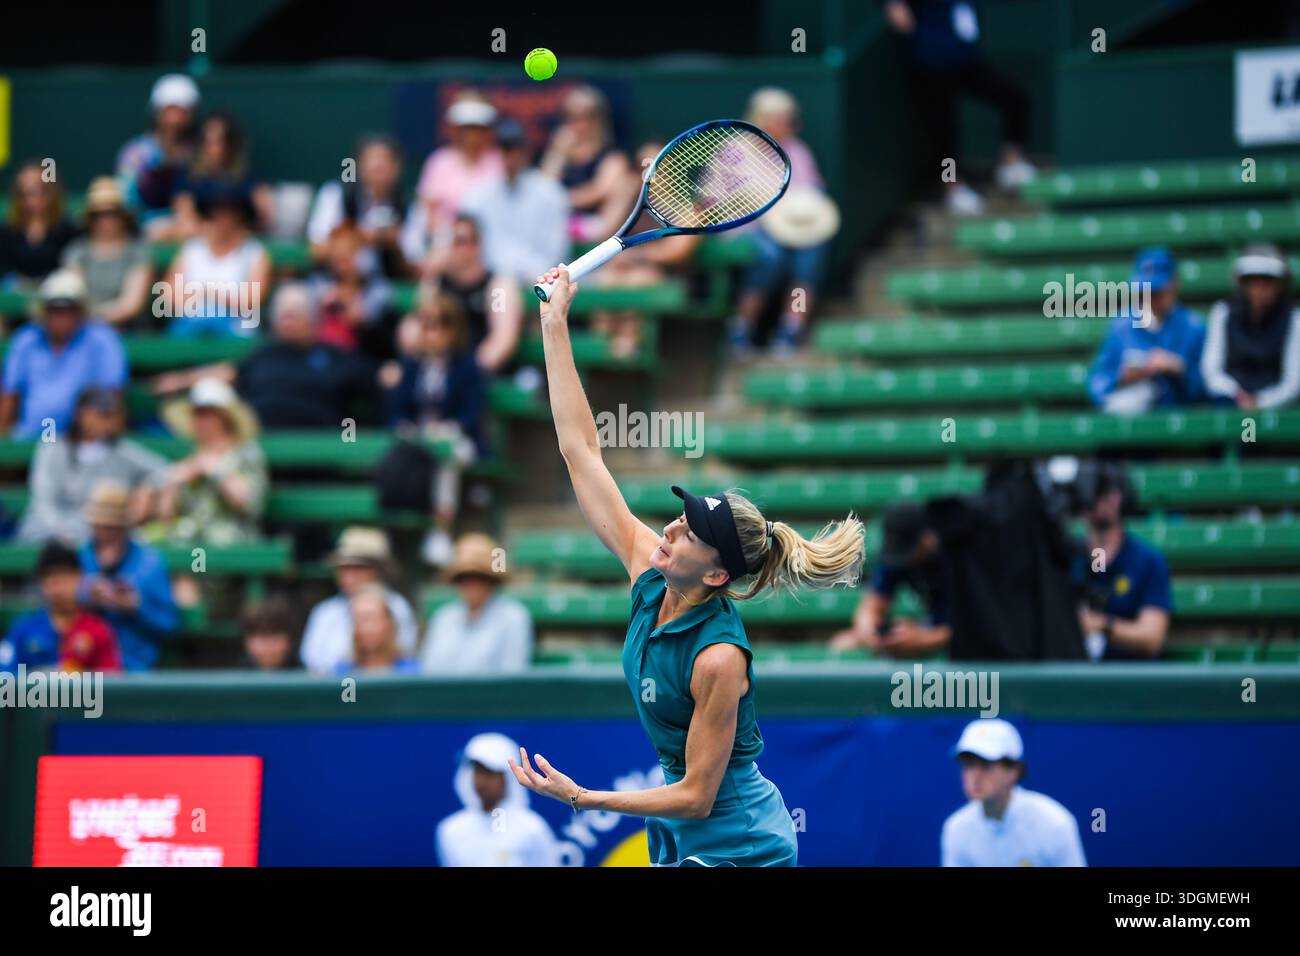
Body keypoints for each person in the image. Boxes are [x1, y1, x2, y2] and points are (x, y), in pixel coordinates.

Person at [507, 266, 864, 867]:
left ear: (717, 575)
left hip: (741, 844)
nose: (670, 528)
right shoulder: (652, 574)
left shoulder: (719, 659)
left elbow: (699, 796)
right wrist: (554, 323)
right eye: (680, 517)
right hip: (680, 835)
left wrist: (582, 797)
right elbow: (581, 452)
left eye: (691, 532)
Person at [152, 283, 380, 429]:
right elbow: (228, 373)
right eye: (283, 315)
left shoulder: (336, 357)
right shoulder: (262, 355)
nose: (287, 321)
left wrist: (350, 433)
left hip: (320, 447)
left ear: (313, 320)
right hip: (260, 443)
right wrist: (180, 380)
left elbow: (377, 379)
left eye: (294, 314)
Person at [884, 0, 1036, 215]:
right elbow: (899, 16)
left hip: (967, 60)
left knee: (1015, 98)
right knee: (945, 133)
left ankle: (1011, 163)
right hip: (933, 64)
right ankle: (952, 188)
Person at [727, 89, 836, 355]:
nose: (788, 125)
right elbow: (724, 201)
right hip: (746, 229)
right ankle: (741, 328)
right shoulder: (735, 150)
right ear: (762, 119)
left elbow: (813, 193)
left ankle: (791, 328)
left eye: (789, 119)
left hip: (794, 229)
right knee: (770, 255)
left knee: (811, 252)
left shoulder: (798, 151)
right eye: (781, 119)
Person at [386, 293, 488, 566]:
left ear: (452, 329)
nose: (432, 332)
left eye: (439, 324)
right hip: (419, 439)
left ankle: (440, 529)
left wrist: (446, 429)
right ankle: (390, 532)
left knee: (447, 454)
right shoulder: (411, 366)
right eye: (426, 323)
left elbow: (471, 414)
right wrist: (411, 428)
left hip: (459, 440)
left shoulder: (467, 367)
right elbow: (398, 411)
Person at [17, 388, 165, 544]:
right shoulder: (52, 448)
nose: (109, 421)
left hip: (106, 536)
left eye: (114, 414)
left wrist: (147, 488)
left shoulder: (123, 452)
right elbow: (44, 504)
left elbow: (164, 471)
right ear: (80, 415)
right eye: (103, 414)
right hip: (52, 535)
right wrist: (64, 533)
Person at [941, 718, 1086, 867]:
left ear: (1014, 771)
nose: (975, 776)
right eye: (969, 765)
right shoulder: (956, 829)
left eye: (986, 765)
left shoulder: (1055, 824)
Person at [0, 270, 128, 439]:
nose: (62, 316)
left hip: (82, 441)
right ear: (44, 311)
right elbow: (10, 394)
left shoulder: (102, 339)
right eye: (55, 309)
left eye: (69, 309)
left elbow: (112, 397)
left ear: (81, 311)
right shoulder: (26, 339)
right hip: (30, 435)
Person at [1071, 463, 1173, 661]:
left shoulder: (1146, 560)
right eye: (1097, 491)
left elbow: (1152, 638)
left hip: (1131, 678)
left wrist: (1101, 625)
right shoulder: (1067, 557)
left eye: (1109, 491)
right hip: (1076, 676)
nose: (1107, 500)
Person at [1087, 247, 1205, 413]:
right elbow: (1097, 386)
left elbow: (1207, 390)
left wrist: (1178, 369)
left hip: (1186, 422)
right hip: (1134, 428)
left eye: (1157, 292)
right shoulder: (1122, 326)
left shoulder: (1193, 327)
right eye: (1145, 291)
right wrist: (1122, 378)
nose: (1151, 298)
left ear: (1174, 284)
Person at [151, 377, 268, 545]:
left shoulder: (247, 453)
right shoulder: (190, 458)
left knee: (198, 560)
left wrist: (215, 470)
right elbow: (165, 518)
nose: (199, 421)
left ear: (224, 417)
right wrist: (172, 485)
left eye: (206, 414)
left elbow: (248, 502)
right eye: (196, 414)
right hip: (192, 543)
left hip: (233, 543)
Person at [77, 482, 179, 671]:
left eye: (113, 526)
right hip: (83, 664)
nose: (105, 532)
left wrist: (136, 606)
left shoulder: (150, 563)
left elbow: (170, 623)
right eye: (100, 525)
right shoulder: (80, 558)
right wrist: (86, 596)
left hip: (135, 666)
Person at [829, 501, 949, 658]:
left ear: (927, 538)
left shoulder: (958, 557)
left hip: (969, 632)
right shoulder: (898, 555)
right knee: (842, 643)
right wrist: (873, 635)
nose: (907, 559)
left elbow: (979, 625)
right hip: (935, 625)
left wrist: (926, 639)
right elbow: (869, 610)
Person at [411, 213, 523, 376]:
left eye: (461, 241)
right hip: (440, 366)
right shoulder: (437, 283)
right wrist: (430, 272)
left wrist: (466, 372)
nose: (454, 247)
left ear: (477, 245)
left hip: (476, 373)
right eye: (451, 240)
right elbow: (417, 328)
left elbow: (502, 340)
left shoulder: (497, 287)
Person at [461, 118, 569, 283]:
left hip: (541, 280)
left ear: (525, 152)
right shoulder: (480, 194)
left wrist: (533, 275)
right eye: (504, 149)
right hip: (491, 282)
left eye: (514, 149)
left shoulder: (550, 193)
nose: (509, 157)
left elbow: (556, 251)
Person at [299, 526, 419, 674]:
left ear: (378, 570)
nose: (349, 576)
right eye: (344, 568)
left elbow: (403, 654)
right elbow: (313, 662)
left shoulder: (396, 606)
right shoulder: (325, 612)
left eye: (358, 568)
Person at [158, 185, 270, 338]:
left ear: (241, 216)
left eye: (230, 213)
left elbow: (252, 301)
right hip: (190, 324)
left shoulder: (254, 252)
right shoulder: (192, 249)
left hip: (237, 327)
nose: (223, 219)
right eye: (217, 212)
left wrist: (207, 294)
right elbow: (169, 294)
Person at [403, 96, 504, 264]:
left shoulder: (499, 163)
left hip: (490, 242)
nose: (473, 134)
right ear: (456, 130)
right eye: (467, 128)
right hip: (445, 242)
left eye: (478, 128)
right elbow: (426, 210)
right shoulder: (439, 162)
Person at [436, 732, 561, 867]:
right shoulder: (450, 830)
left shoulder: (533, 828)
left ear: (508, 777)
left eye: (490, 772)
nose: (481, 781)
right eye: (477, 771)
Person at [1202, 242, 1300, 410]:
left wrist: (1262, 402)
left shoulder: (1294, 318)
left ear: (1280, 284)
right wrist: (1236, 394)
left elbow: (1293, 383)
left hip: (1279, 410)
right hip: (1229, 404)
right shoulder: (1223, 312)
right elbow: (1211, 371)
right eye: (1253, 280)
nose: (1260, 288)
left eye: (1267, 281)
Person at [0, 540, 123, 673]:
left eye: (64, 574)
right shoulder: (23, 629)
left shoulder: (98, 630)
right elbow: (6, 676)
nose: (57, 583)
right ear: (41, 582)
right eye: (49, 575)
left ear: (79, 577)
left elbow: (111, 683)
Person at [420, 533, 533, 675]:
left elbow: (513, 675)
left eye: (479, 577)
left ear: (492, 580)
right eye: (464, 577)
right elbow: (429, 670)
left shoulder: (514, 617)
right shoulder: (443, 618)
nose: (471, 584)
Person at [307, 134, 409, 278]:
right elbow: (316, 251)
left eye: (385, 159)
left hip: (381, 286)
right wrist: (361, 238)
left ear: (397, 168)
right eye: (372, 159)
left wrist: (394, 244)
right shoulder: (336, 193)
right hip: (330, 281)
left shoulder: (405, 204)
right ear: (359, 164)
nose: (378, 166)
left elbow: (414, 265)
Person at [539, 86, 632, 244]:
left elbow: (599, 191)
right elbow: (543, 189)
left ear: (599, 120)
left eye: (587, 116)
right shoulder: (559, 153)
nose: (580, 124)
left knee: (626, 185)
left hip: (595, 230)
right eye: (571, 117)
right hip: (556, 226)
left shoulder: (613, 156)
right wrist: (557, 153)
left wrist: (559, 200)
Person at [162, 110, 272, 242]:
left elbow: (263, 222)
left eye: (221, 140)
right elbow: (186, 223)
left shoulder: (248, 181)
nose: (213, 147)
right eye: (207, 140)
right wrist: (224, 230)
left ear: (231, 144)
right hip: (198, 250)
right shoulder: (187, 180)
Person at [59, 177, 153, 328]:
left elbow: (131, 304)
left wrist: (94, 319)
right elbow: (75, 293)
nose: (106, 220)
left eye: (112, 213)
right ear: (90, 218)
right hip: (84, 330)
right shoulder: (77, 251)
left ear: (123, 216)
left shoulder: (138, 251)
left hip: (129, 332)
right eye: (98, 214)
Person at [116, 73, 200, 230]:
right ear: (157, 112)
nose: (175, 119)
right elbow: (127, 202)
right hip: (145, 229)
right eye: (170, 110)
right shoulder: (135, 153)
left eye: (181, 111)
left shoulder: (201, 151)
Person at [309, 223, 395, 360]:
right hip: (322, 359)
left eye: (348, 253)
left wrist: (357, 311)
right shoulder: (320, 283)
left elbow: (382, 340)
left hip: (362, 359)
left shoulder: (379, 290)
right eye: (337, 254)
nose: (342, 261)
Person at [0, 161, 80, 287]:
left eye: (38, 191)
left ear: (51, 192)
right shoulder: (7, 232)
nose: (32, 199)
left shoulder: (68, 230)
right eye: (25, 193)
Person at [336, 584, 419, 675]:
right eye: (362, 620)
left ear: (389, 623)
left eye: (374, 619)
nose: (369, 628)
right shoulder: (343, 673)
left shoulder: (410, 671)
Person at [238, 595, 302, 671]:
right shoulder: (236, 675)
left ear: (289, 640)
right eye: (262, 638)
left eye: (275, 637)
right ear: (247, 641)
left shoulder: (307, 676)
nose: (269, 647)